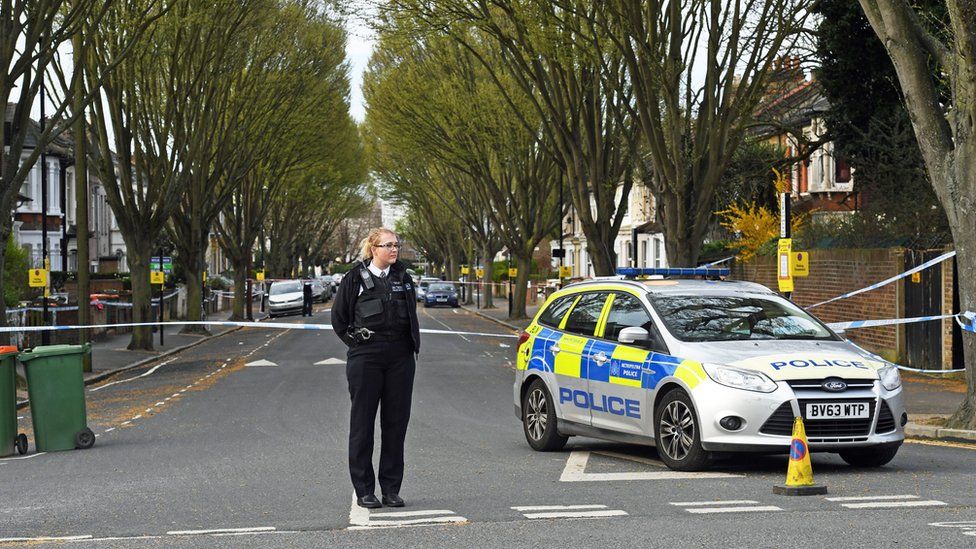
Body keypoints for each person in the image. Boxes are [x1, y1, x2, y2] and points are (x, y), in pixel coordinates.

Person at [331, 228, 420, 509]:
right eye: (388, 245)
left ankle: (391, 489)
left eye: (396, 245)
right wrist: (356, 344)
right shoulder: (354, 278)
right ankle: (364, 490)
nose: (394, 250)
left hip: (400, 357)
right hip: (366, 356)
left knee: (396, 425)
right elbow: (339, 319)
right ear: (373, 248)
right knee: (363, 425)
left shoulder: (403, 278)